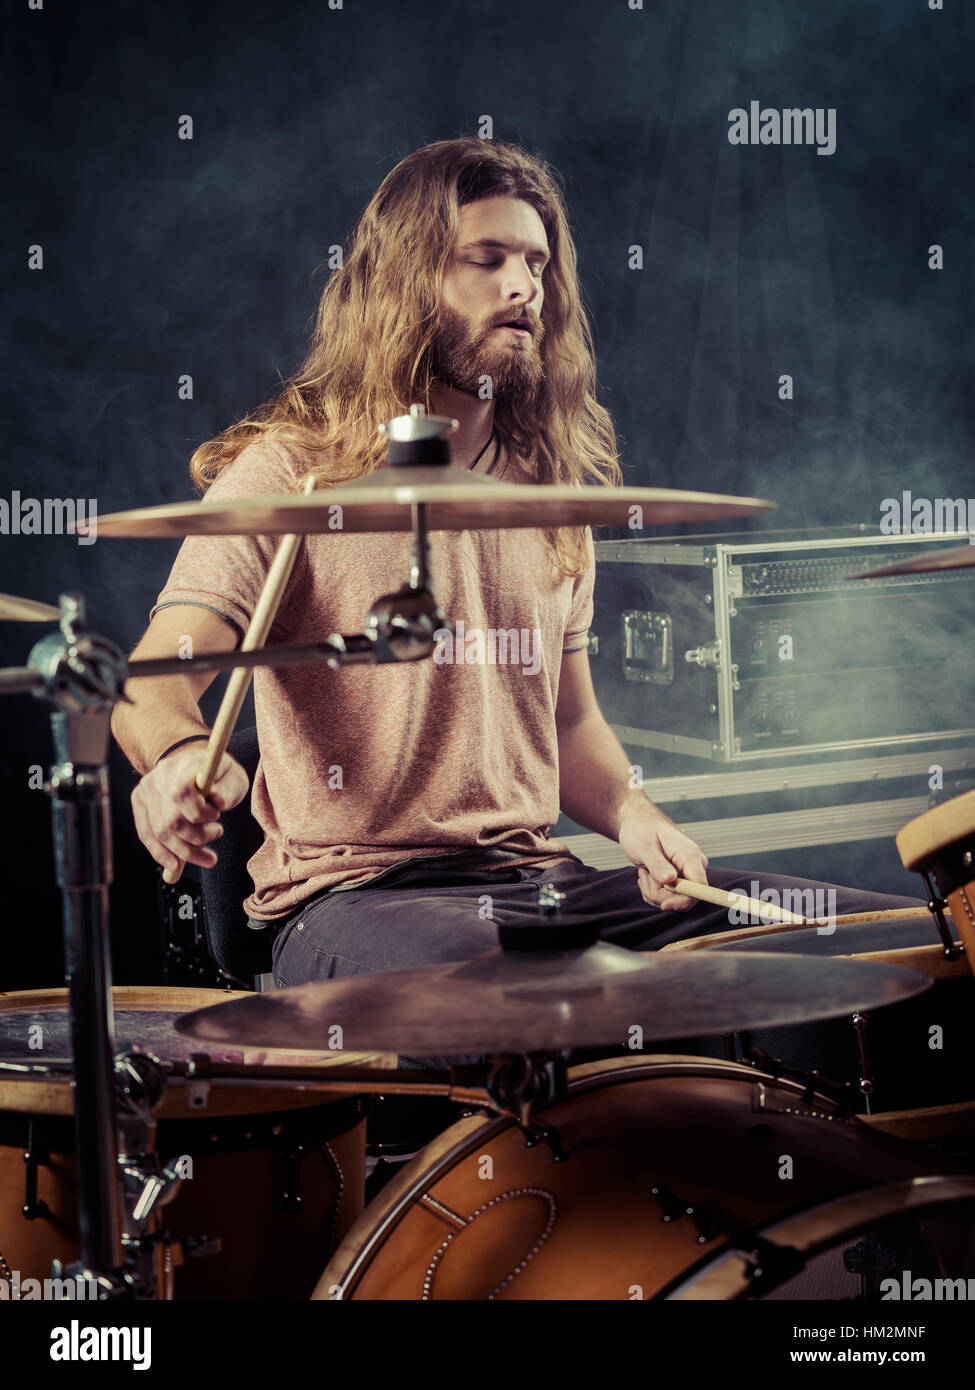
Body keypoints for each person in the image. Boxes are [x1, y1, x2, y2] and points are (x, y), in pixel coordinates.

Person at [111, 137, 923, 1013]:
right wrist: (176, 758)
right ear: (406, 281)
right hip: (358, 898)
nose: (522, 286)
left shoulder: (547, 489)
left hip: (540, 882)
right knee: (540, 1000)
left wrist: (639, 819)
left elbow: (571, 725)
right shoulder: (293, 476)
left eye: (534, 262)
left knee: (898, 947)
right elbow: (150, 680)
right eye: (486, 259)